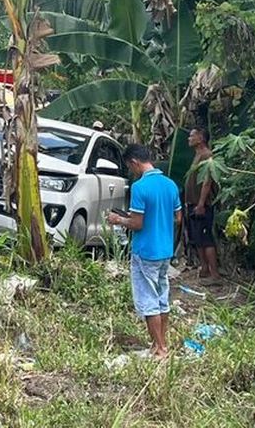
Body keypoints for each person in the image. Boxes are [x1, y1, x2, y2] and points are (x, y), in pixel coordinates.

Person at [107, 144, 182, 358]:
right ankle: (160, 345)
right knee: (162, 297)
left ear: (134, 162)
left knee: (148, 301)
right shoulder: (170, 184)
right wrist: (160, 221)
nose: (131, 171)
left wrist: (118, 219)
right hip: (165, 250)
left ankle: (160, 349)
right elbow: (178, 218)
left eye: (130, 167)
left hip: (146, 250)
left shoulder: (140, 187)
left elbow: (137, 223)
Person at [185, 127, 220, 280]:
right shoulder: (197, 155)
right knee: (198, 238)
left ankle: (215, 274)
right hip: (193, 203)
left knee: (206, 239)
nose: (189, 138)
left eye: (192, 136)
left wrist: (201, 203)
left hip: (202, 205)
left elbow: (207, 181)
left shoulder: (207, 155)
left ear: (201, 138)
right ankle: (204, 268)